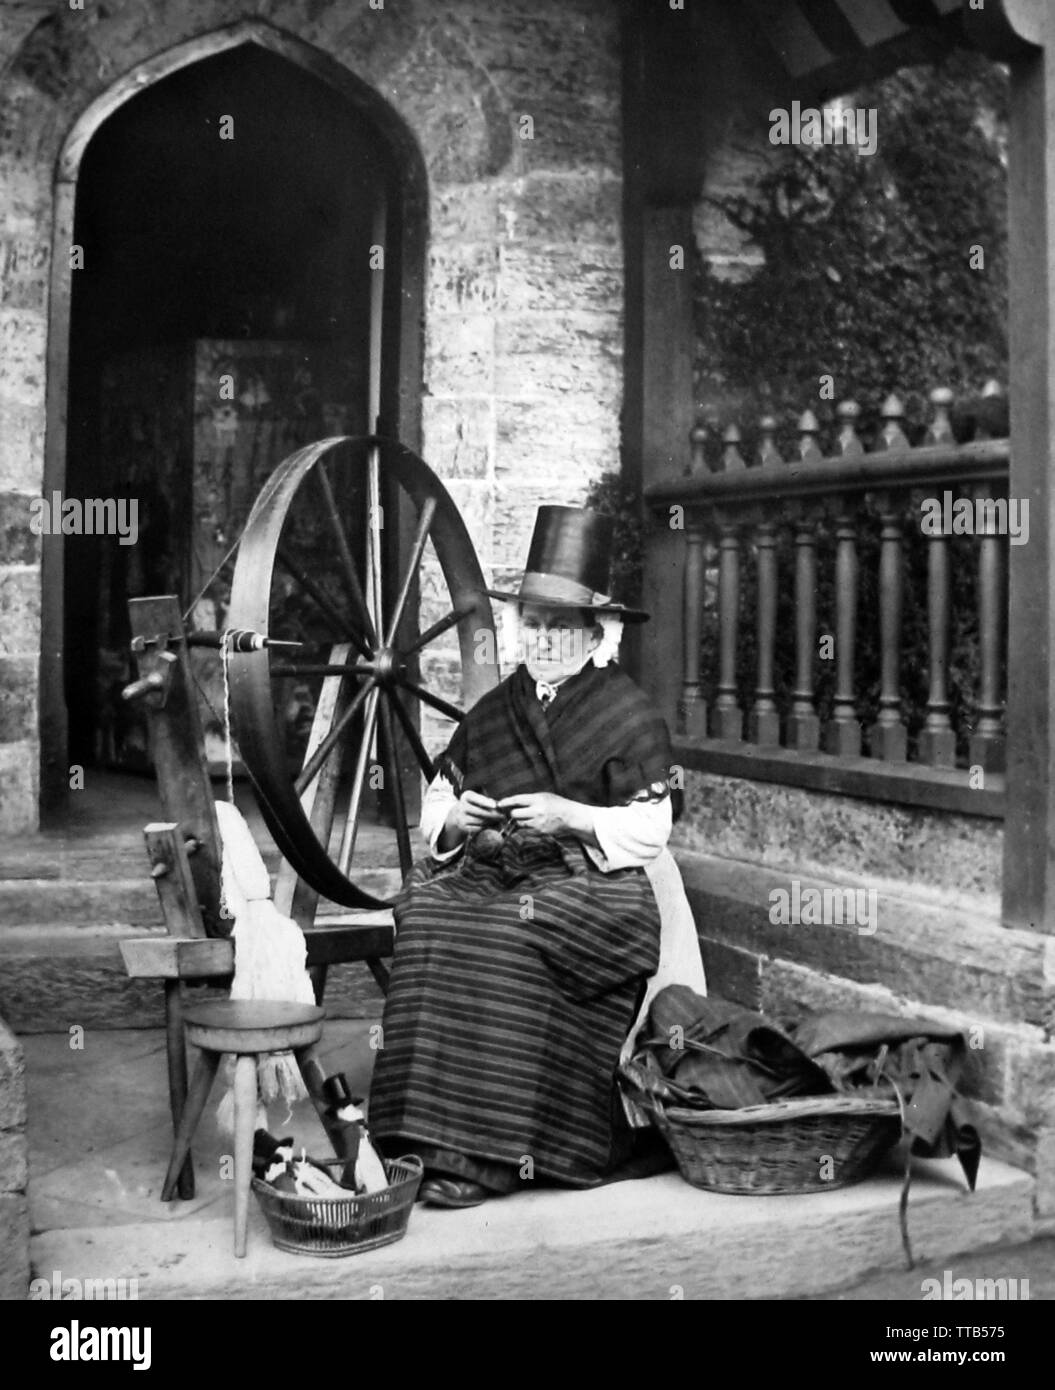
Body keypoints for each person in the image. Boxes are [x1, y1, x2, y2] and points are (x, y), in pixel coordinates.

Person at [367, 506, 689, 1208]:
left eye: (557, 627)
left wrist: (569, 815)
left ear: (592, 634)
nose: (541, 641)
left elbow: (652, 830)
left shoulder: (625, 712)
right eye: (532, 625)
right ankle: (417, 1139)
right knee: (425, 915)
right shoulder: (492, 711)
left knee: (504, 936)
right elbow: (435, 814)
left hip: (592, 889)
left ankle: (490, 1158)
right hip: (494, 867)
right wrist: (458, 817)